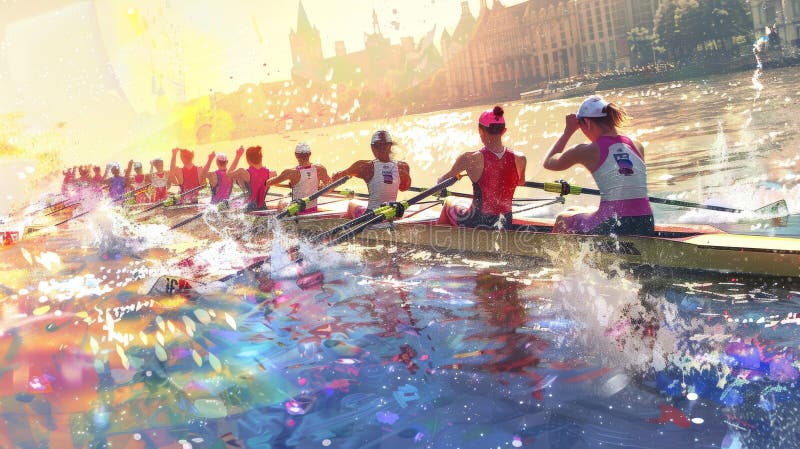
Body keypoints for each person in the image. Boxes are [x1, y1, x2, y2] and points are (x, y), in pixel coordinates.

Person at [543, 95, 653, 236]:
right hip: (646, 222)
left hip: (615, 225)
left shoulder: (587, 150)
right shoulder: (636, 145)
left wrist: (568, 131)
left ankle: (557, 258)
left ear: (587, 122)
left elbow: (549, 162)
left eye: (580, 126)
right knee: (574, 210)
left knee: (562, 219)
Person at [436, 105, 527, 229]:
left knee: (448, 202)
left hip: (476, 223)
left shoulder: (469, 159)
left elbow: (443, 182)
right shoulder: (521, 159)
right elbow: (521, 182)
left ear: (480, 131)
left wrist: (439, 183)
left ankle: (442, 242)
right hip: (505, 222)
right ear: (504, 131)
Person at [330, 130, 411, 218]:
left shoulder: (364, 166)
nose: (381, 149)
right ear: (390, 145)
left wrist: (331, 180)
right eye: (378, 146)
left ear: (372, 147)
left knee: (351, 204)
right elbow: (404, 188)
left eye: (383, 145)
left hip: (370, 216)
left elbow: (339, 177)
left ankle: (344, 228)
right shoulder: (402, 166)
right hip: (391, 214)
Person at [266, 142, 332, 214]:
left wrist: (271, 176)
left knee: (281, 202)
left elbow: (268, 183)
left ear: (296, 155)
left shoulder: (290, 172)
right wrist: (317, 186)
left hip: (296, 211)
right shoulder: (320, 169)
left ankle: (280, 223)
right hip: (312, 209)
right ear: (310, 154)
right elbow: (330, 187)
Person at [230, 146, 272, 211]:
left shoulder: (242, 172)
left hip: (249, 209)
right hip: (263, 208)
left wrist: (237, 157)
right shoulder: (272, 173)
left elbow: (227, 175)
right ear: (261, 157)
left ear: (247, 160)